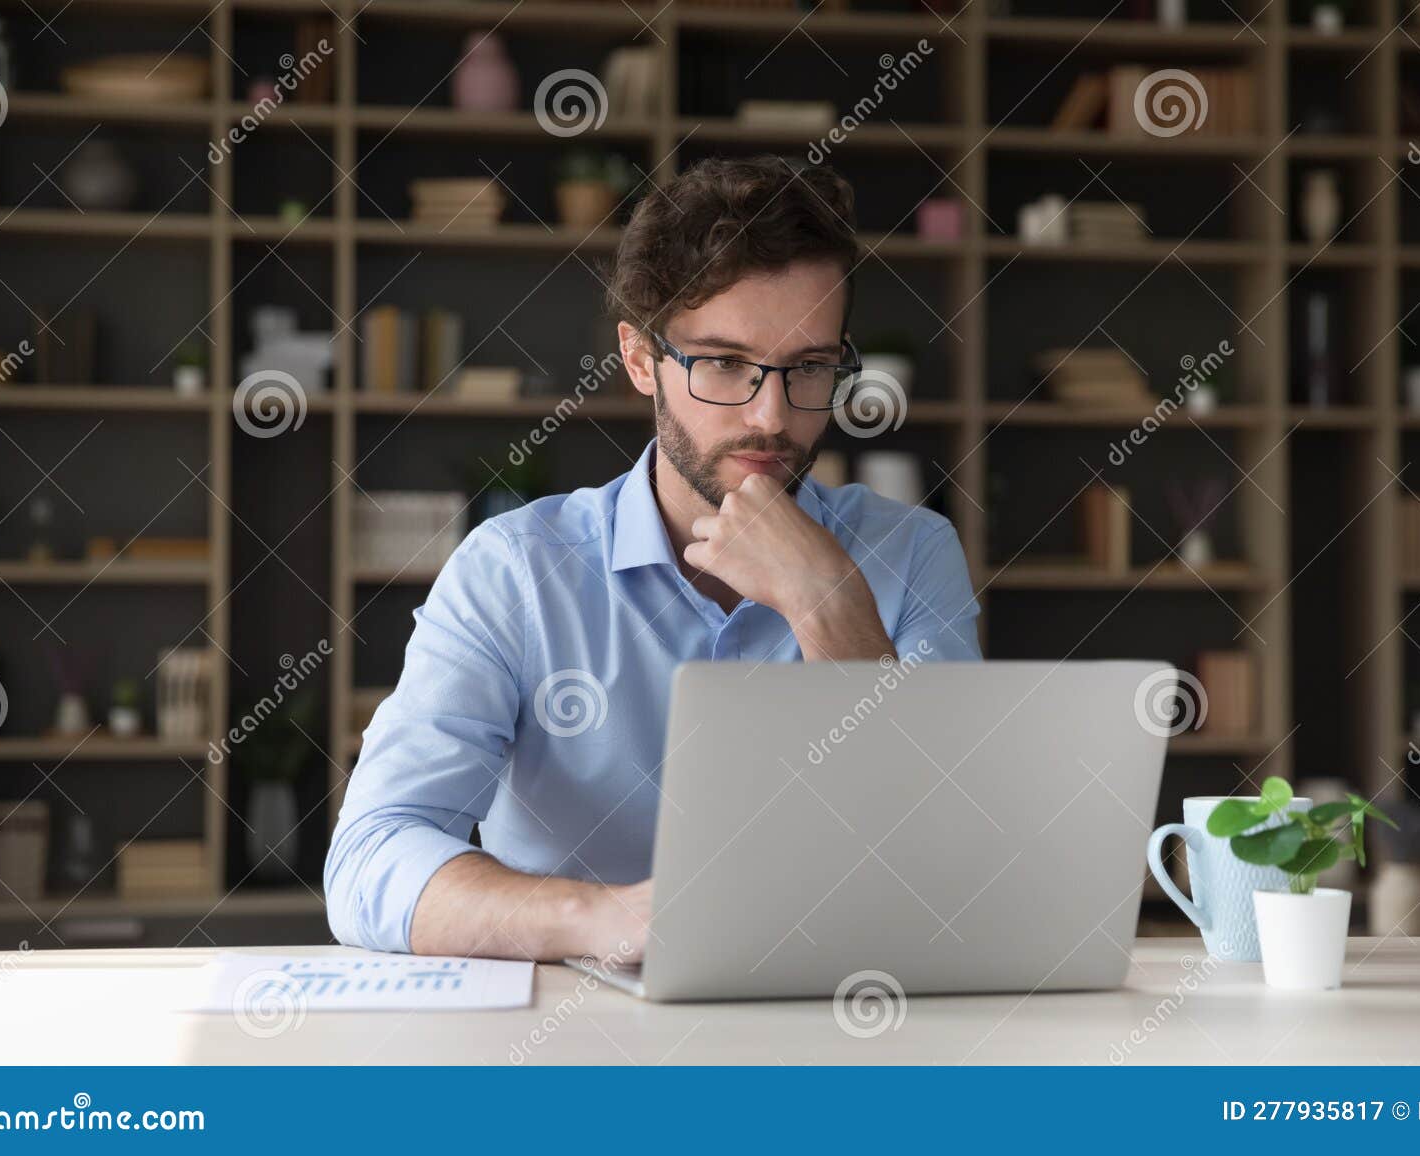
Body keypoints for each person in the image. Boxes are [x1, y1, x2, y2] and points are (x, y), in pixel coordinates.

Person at [324, 155, 981, 960]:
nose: (770, 416)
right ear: (640, 360)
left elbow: (956, 864)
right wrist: (607, 920)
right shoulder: (516, 570)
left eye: (809, 368)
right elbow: (370, 858)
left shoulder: (912, 553)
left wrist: (828, 609)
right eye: (725, 363)